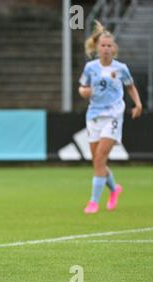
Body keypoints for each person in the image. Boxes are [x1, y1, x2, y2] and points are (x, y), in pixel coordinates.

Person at [79, 21, 143, 214]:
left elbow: (130, 86)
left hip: (114, 115)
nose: (106, 48)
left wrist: (137, 104)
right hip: (94, 115)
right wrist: (84, 92)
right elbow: (82, 87)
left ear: (114, 48)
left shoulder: (121, 68)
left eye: (109, 45)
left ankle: (93, 202)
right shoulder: (90, 68)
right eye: (103, 45)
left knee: (100, 157)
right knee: (97, 161)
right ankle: (114, 189)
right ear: (97, 47)